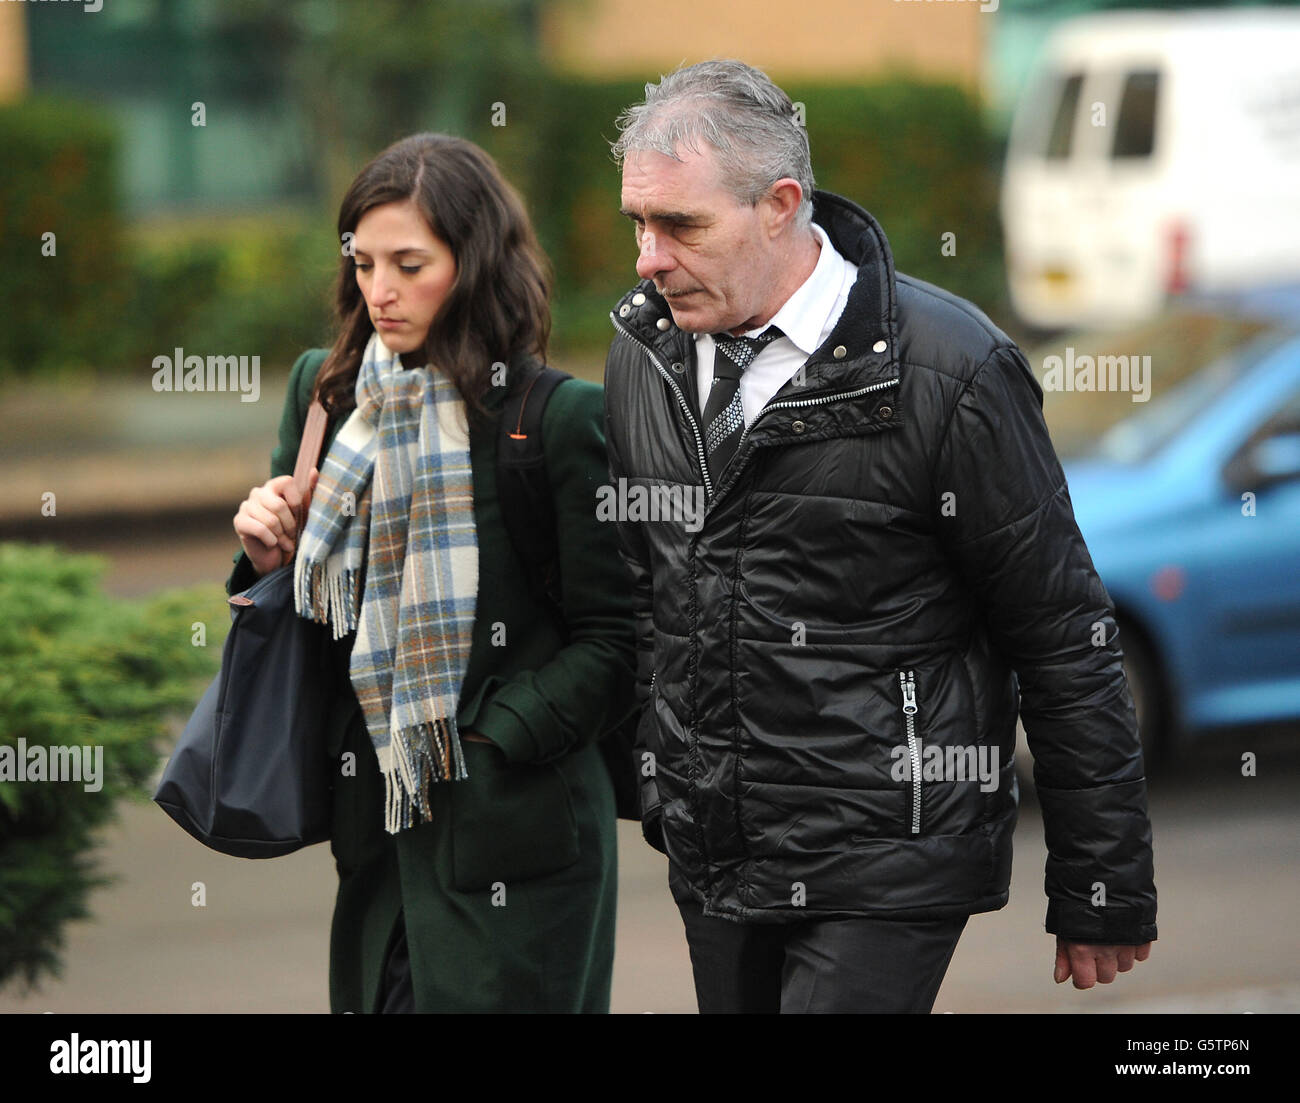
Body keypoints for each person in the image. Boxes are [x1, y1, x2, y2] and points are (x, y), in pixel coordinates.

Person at [602, 60, 1157, 1013]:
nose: (648, 256)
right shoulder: (643, 352)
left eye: (680, 225)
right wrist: (664, 784)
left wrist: (1102, 880)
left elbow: (1063, 631)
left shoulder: (953, 368)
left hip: (888, 853)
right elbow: (650, 594)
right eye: (638, 225)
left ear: (780, 204)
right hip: (717, 849)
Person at [228, 133, 636, 1013]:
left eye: (411, 264)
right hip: (378, 841)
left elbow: (620, 642)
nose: (382, 289)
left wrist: (492, 742)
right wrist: (266, 553)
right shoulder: (327, 394)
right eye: (365, 262)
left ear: (476, 263)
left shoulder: (557, 421)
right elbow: (306, 608)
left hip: (520, 846)